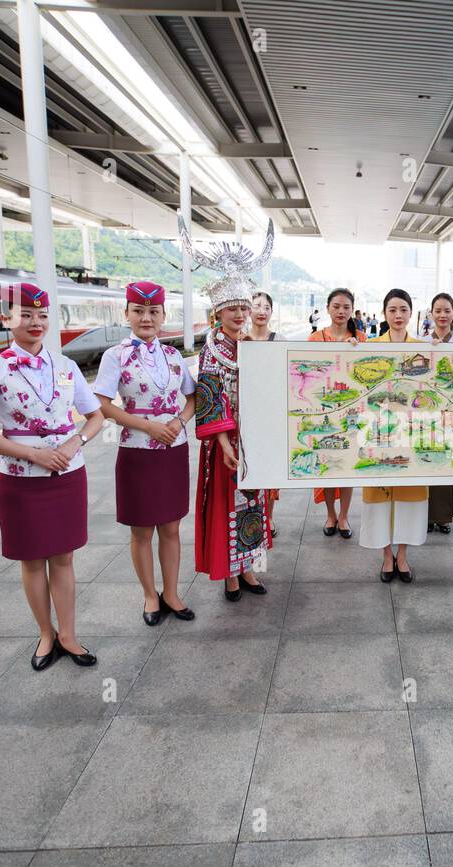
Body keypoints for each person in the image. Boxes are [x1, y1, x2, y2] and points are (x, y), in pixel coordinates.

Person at [0, 283, 105, 671]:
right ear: (5, 319)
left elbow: (96, 416)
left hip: (66, 474)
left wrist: (74, 444)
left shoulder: (66, 367)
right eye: (25, 314)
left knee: (63, 558)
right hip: (19, 479)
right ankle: (46, 633)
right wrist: (31, 453)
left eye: (42, 315)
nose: (35, 322)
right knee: (31, 561)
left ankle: (69, 635)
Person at [92, 281, 196, 627]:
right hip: (136, 451)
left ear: (164, 315)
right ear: (126, 314)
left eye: (153, 312)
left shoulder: (172, 356)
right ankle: (150, 595)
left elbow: (192, 398)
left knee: (171, 527)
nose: (146, 318)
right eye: (138, 311)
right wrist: (149, 426)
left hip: (173, 450)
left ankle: (172, 592)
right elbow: (102, 405)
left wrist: (179, 422)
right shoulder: (115, 356)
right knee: (141, 531)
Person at [191, 225, 274, 601]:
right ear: (218, 312)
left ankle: (250, 568)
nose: (240, 314)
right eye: (233, 309)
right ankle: (230, 574)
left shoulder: (253, 346)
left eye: (244, 307)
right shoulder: (212, 350)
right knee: (228, 505)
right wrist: (224, 442)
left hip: (252, 439)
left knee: (254, 502)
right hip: (226, 442)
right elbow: (211, 399)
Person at [361, 289, 427, 582]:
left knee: (409, 498)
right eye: (392, 310)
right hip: (378, 431)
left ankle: (403, 555)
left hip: (413, 434)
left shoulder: (424, 348)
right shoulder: (370, 346)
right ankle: (386, 556)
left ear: (410, 313)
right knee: (380, 494)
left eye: (403, 309)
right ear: (384, 314)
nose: (398, 315)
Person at [308, 287, 365, 537]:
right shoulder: (315, 339)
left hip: (353, 413)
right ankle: (331, 515)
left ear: (352, 310)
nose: (341, 311)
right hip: (323, 413)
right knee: (328, 467)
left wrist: (355, 351)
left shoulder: (361, 339)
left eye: (346, 307)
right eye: (336, 306)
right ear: (328, 308)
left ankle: (344, 517)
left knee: (348, 467)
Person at [242, 290, 281, 537]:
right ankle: (250, 516)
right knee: (250, 468)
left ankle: (268, 517)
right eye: (256, 306)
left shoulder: (280, 339)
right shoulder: (240, 341)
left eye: (266, 307)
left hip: (272, 416)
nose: (261, 311)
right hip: (246, 416)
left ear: (271, 312)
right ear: (248, 310)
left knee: (271, 471)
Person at [425, 292, 453, 533]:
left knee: (449, 466)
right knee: (429, 461)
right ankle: (427, 516)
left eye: (447, 310)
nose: (442, 315)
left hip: (452, 413)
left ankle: (444, 517)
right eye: (438, 310)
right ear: (431, 314)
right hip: (427, 414)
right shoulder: (421, 342)